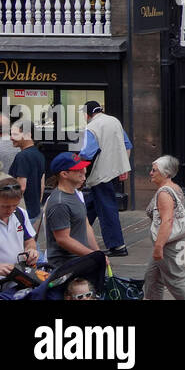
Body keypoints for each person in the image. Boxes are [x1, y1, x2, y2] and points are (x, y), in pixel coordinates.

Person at [77, 100, 132, 257]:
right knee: (91, 205)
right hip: (114, 172)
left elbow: (87, 153)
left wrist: (77, 167)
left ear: (88, 114)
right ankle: (78, 235)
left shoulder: (92, 127)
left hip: (100, 174)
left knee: (107, 210)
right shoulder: (114, 121)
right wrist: (123, 167)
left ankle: (117, 246)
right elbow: (127, 145)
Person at [145, 155, 185, 300]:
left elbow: (167, 221)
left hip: (168, 244)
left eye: (154, 170)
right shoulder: (175, 188)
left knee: (175, 279)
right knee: (152, 277)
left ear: (166, 173)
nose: (151, 173)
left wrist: (159, 247)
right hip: (173, 241)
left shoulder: (164, 193)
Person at [44, 152, 97, 277]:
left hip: (80, 263)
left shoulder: (75, 194)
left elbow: (86, 225)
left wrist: (97, 253)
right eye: (78, 170)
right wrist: (92, 255)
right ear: (64, 174)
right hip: (65, 268)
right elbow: (63, 239)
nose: (84, 172)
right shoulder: (59, 203)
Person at [0, 178, 38, 279]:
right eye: (5, 206)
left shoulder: (20, 213)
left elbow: (29, 240)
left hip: (19, 279)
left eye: (15, 205)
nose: (10, 210)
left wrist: (31, 250)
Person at [8, 123, 44, 219]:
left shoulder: (22, 156)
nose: (11, 138)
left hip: (23, 212)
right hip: (34, 210)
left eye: (15, 135)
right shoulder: (39, 154)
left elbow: (21, 187)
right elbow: (42, 184)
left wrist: (8, 206)